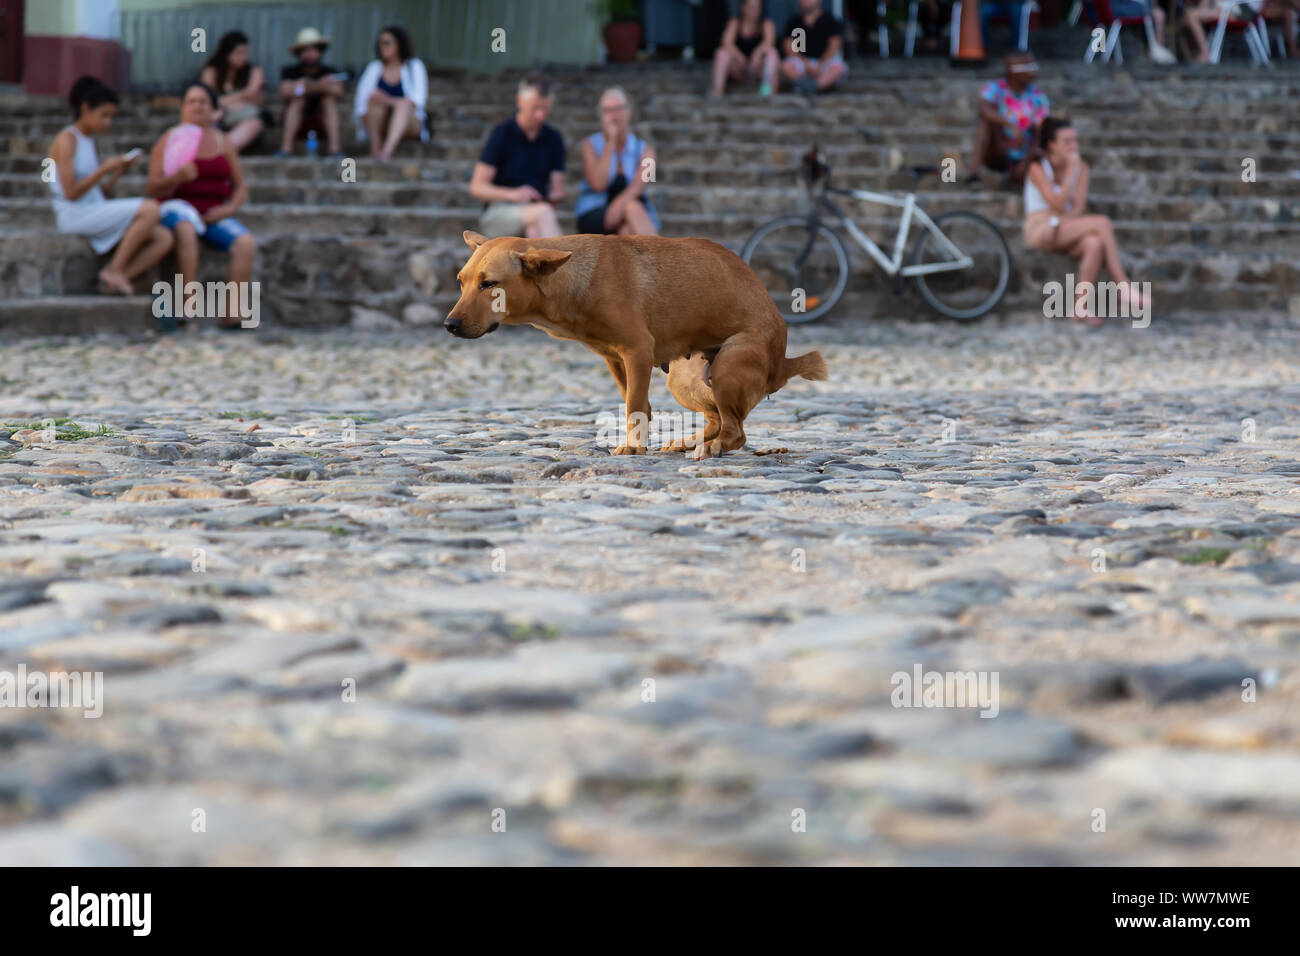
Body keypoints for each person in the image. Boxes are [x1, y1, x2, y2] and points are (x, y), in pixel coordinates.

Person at [48, 76, 173, 295]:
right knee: (150, 208)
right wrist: (104, 169)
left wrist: (115, 173)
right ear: (86, 108)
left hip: (91, 208)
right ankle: (114, 269)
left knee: (164, 237)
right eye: (104, 115)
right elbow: (70, 193)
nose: (108, 122)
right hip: (73, 213)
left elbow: (99, 193)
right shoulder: (67, 140)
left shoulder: (89, 140)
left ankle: (117, 276)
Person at [146, 83, 256, 328]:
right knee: (186, 229)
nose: (197, 106)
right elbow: (152, 187)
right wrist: (177, 178)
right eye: (191, 101)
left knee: (245, 243)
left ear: (213, 109)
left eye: (202, 101)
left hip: (212, 212)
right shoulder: (169, 140)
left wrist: (228, 210)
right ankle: (188, 304)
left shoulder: (222, 141)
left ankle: (233, 312)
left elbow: (240, 186)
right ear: (183, 108)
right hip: (178, 209)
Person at [1024, 117, 1142, 325]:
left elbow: (1077, 208)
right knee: (1102, 223)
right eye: (1067, 142)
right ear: (1052, 145)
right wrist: (1070, 173)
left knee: (1094, 243)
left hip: (1064, 227)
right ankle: (1121, 284)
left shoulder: (1082, 169)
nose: (1073, 146)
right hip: (1040, 228)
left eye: (1075, 141)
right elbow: (1057, 203)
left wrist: (1060, 223)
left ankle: (1080, 308)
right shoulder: (1038, 168)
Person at [469, 73, 565, 239]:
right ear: (519, 101)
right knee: (543, 213)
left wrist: (553, 197)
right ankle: (568, 264)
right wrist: (513, 194)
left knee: (534, 232)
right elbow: (477, 187)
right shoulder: (502, 134)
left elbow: (557, 190)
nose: (540, 115)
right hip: (499, 212)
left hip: (535, 212)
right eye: (535, 108)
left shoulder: (554, 139)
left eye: (545, 109)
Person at [575, 88, 659, 236]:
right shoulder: (588, 145)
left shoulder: (648, 152)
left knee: (627, 230)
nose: (613, 116)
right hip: (596, 211)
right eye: (607, 110)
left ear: (629, 111)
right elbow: (598, 184)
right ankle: (659, 257)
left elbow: (641, 185)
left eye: (619, 109)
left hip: (634, 212)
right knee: (632, 208)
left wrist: (619, 206)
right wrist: (610, 143)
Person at [970, 51, 1049, 186]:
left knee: (1048, 143)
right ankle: (974, 174)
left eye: (1033, 66)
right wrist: (1009, 125)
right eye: (1027, 67)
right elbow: (984, 109)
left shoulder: (1038, 96)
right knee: (985, 125)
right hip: (998, 148)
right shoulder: (995, 88)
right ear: (1012, 71)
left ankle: (1020, 174)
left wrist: (1025, 163)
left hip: (1025, 152)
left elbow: (1039, 134)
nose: (1033, 70)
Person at [353, 25, 429, 161]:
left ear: (399, 44)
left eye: (387, 42)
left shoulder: (414, 66)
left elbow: (418, 101)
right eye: (380, 43)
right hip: (380, 123)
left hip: (409, 124)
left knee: (403, 105)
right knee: (375, 103)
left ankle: (386, 151)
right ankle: (375, 149)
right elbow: (361, 105)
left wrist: (388, 100)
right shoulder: (374, 68)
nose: (383, 46)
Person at [277, 27, 344, 157]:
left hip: (321, 120)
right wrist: (320, 85)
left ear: (320, 51)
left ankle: (335, 149)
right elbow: (284, 91)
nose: (309, 54)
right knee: (298, 101)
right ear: (299, 53)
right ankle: (286, 148)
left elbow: (338, 91)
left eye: (313, 49)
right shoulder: (290, 71)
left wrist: (304, 86)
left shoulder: (329, 70)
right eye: (305, 50)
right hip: (297, 120)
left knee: (328, 101)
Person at [199, 31, 266, 152]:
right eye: (239, 53)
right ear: (226, 53)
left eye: (246, 53)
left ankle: (220, 152)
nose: (244, 57)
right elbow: (207, 99)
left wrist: (223, 103)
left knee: (255, 123)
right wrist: (240, 98)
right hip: (217, 120)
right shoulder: (212, 71)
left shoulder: (254, 70)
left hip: (244, 123)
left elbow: (252, 95)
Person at [710, 0, 779, 97]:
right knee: (721, 53)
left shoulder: (766, 24)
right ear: (743, 7)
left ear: (761, 10)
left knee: (772, 53)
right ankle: (717, 91)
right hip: (739, 70)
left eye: (756, 7)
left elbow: (769, 42)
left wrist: (757, 54)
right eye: (750, 7)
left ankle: (766, 91)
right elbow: (726, 43)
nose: (753, 10)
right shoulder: (735, 22)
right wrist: (741, 58)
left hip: (757, 70)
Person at [780, 0, 847, 94]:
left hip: (824, 62)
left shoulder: (831, 20)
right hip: (802, 64)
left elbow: (835, 46)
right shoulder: (794, 21)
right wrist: (806, 64)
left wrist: (820, 65)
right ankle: (807, 86)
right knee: (786, 66)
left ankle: (812, 87)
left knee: (838, 67)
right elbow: (788, 46)